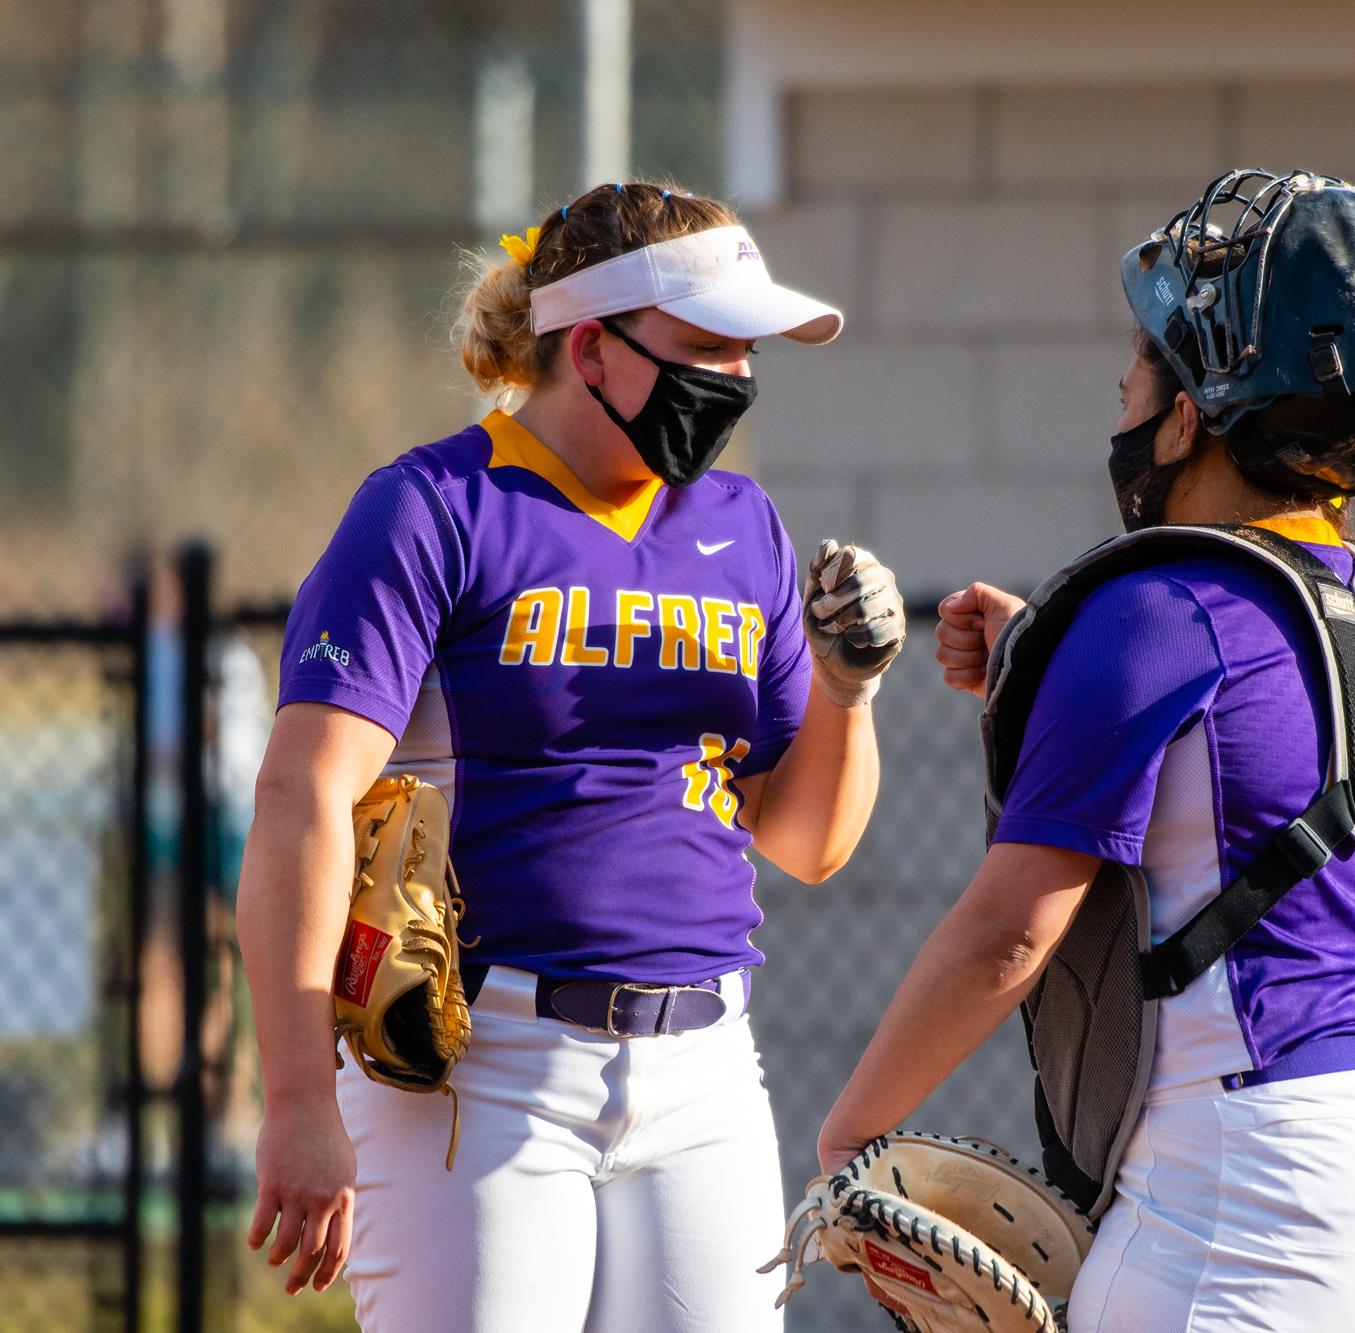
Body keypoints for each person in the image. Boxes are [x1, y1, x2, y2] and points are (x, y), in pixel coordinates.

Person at [816, 170, 1355, 1331]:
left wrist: (850, 1135)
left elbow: (1008, 930)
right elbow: (1248, 758)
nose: (1123, 408)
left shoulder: (1152, 611)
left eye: (1136, 381)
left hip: (1261, 1170)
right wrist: (1043, 653)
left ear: (1189, 416)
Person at [236, 180, 906, 1331]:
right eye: (703, 347)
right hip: (480, 1062)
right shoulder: (435, 507)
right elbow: (302, 795)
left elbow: (807, 841)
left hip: (704, 1064)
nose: (733, 378)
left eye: (744, 353)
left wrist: (848, 690)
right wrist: (298, 1098)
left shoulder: (739, 522)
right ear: (590, 347)